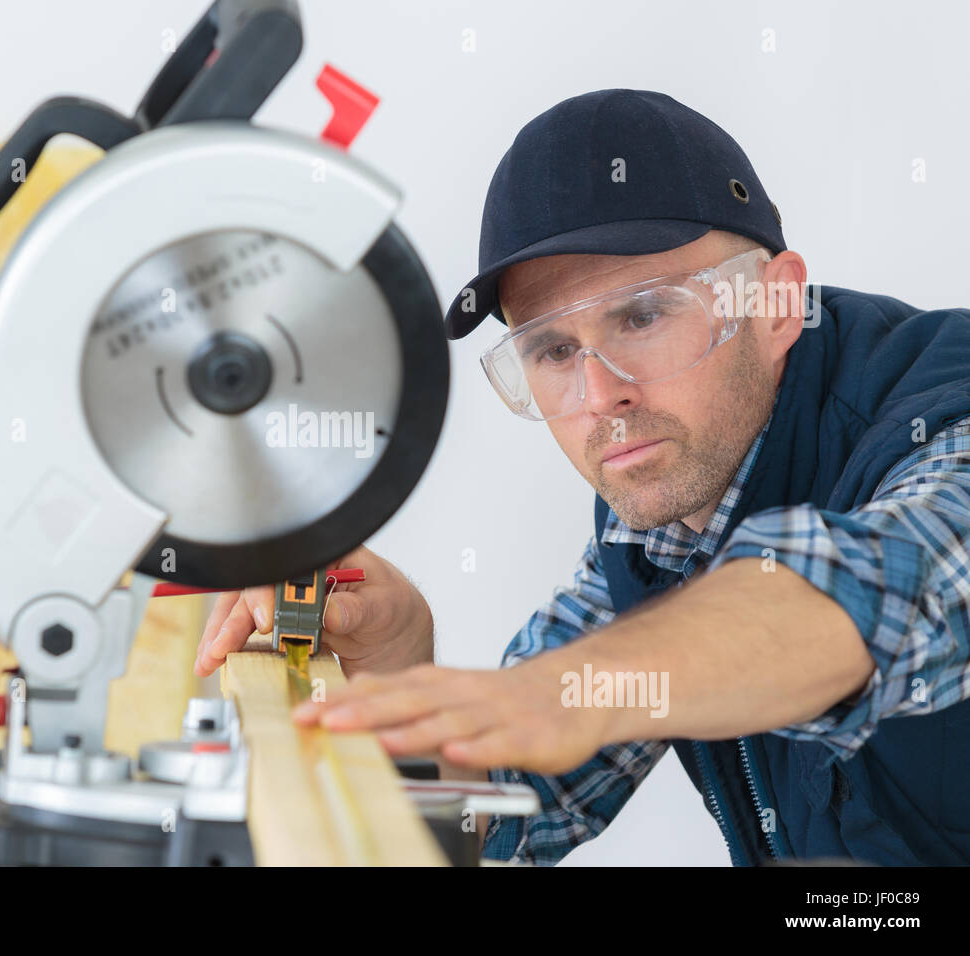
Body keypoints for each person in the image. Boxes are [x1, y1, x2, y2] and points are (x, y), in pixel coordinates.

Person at [195, 89, 970, 865]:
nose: (602, 397)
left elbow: (874, 597)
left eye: (642, 317)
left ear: (774, 303)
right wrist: (400, 661)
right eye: (554, 351)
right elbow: (514, 807)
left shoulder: (942, 424)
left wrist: (565, 690)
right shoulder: (664, 518)